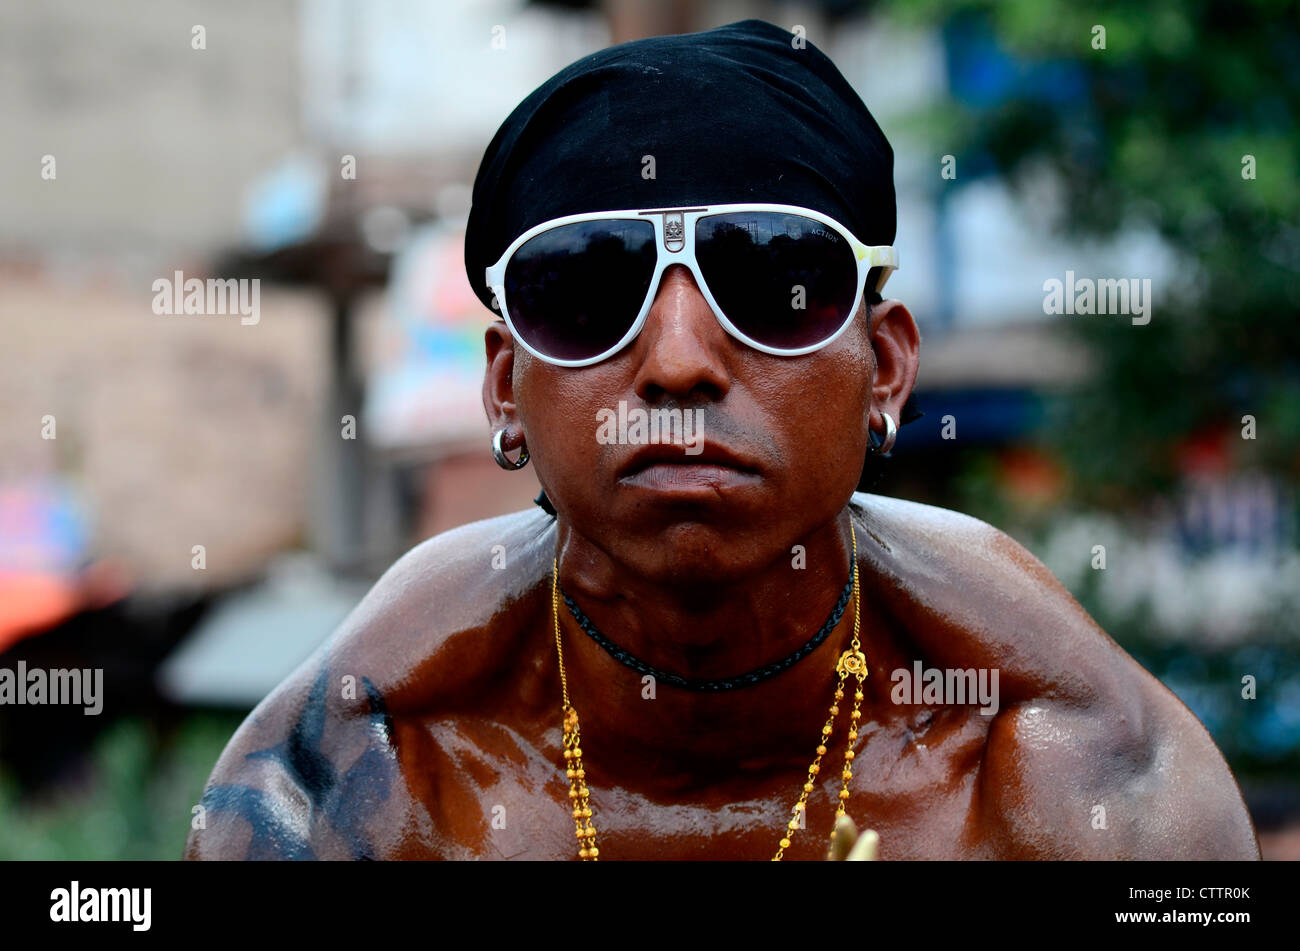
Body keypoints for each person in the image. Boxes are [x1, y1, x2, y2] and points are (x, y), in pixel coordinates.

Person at [186, 19, 1258, 861]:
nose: (680, 362)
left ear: (884, 365)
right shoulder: (368, 762)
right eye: (588, 289)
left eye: (771, 280)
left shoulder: (1067, 768)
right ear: (506, 390)